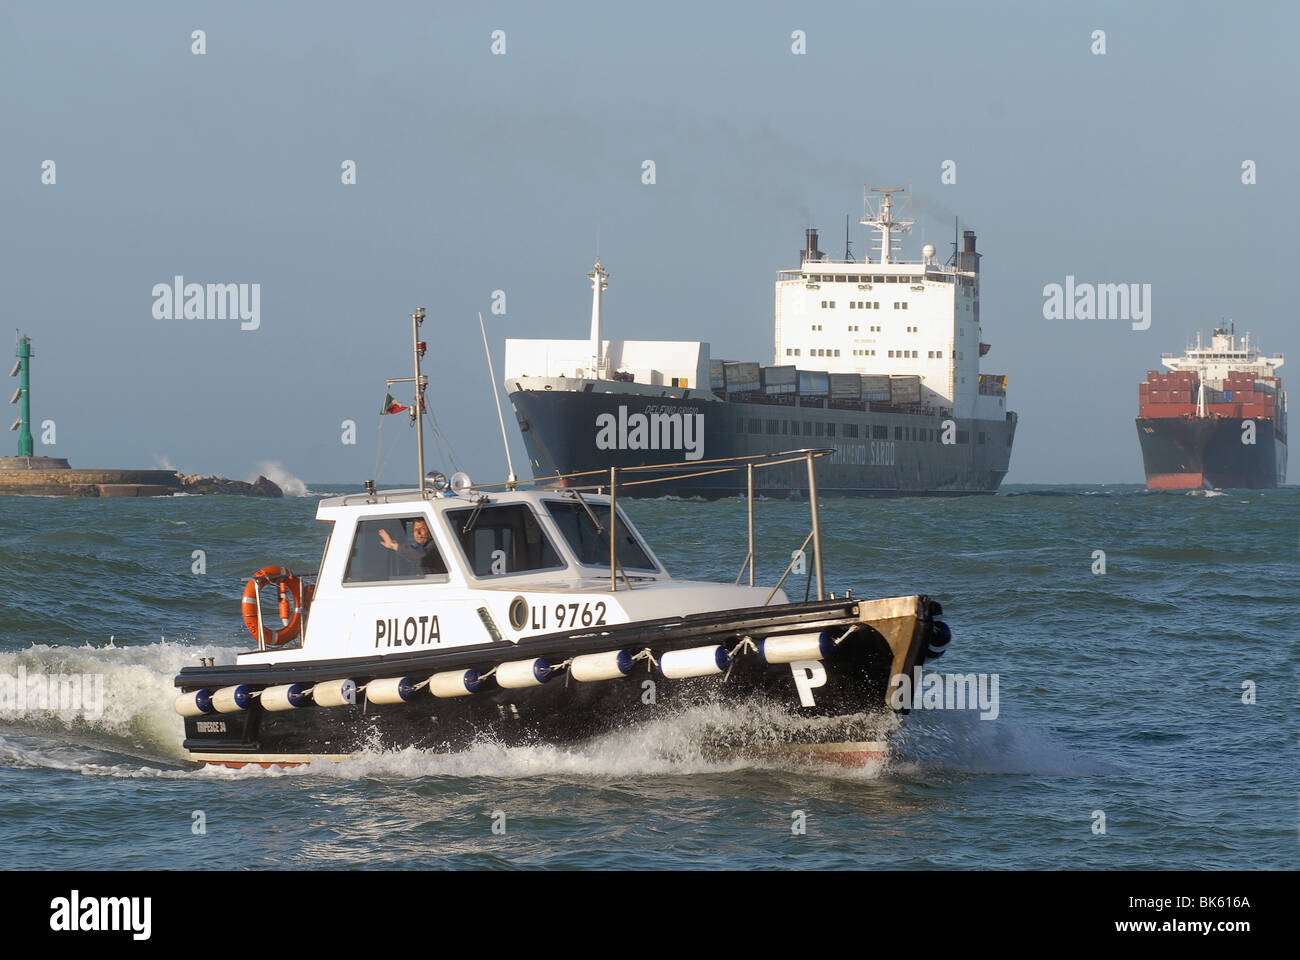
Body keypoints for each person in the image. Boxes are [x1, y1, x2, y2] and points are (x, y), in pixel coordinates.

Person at [378, 518, 445, 574]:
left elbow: (421, 557)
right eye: (415, 530)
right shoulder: (418, 548)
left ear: (430, 531)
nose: (418, 533)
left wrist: (393, 545)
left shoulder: (436, 545)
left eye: (422, 529)